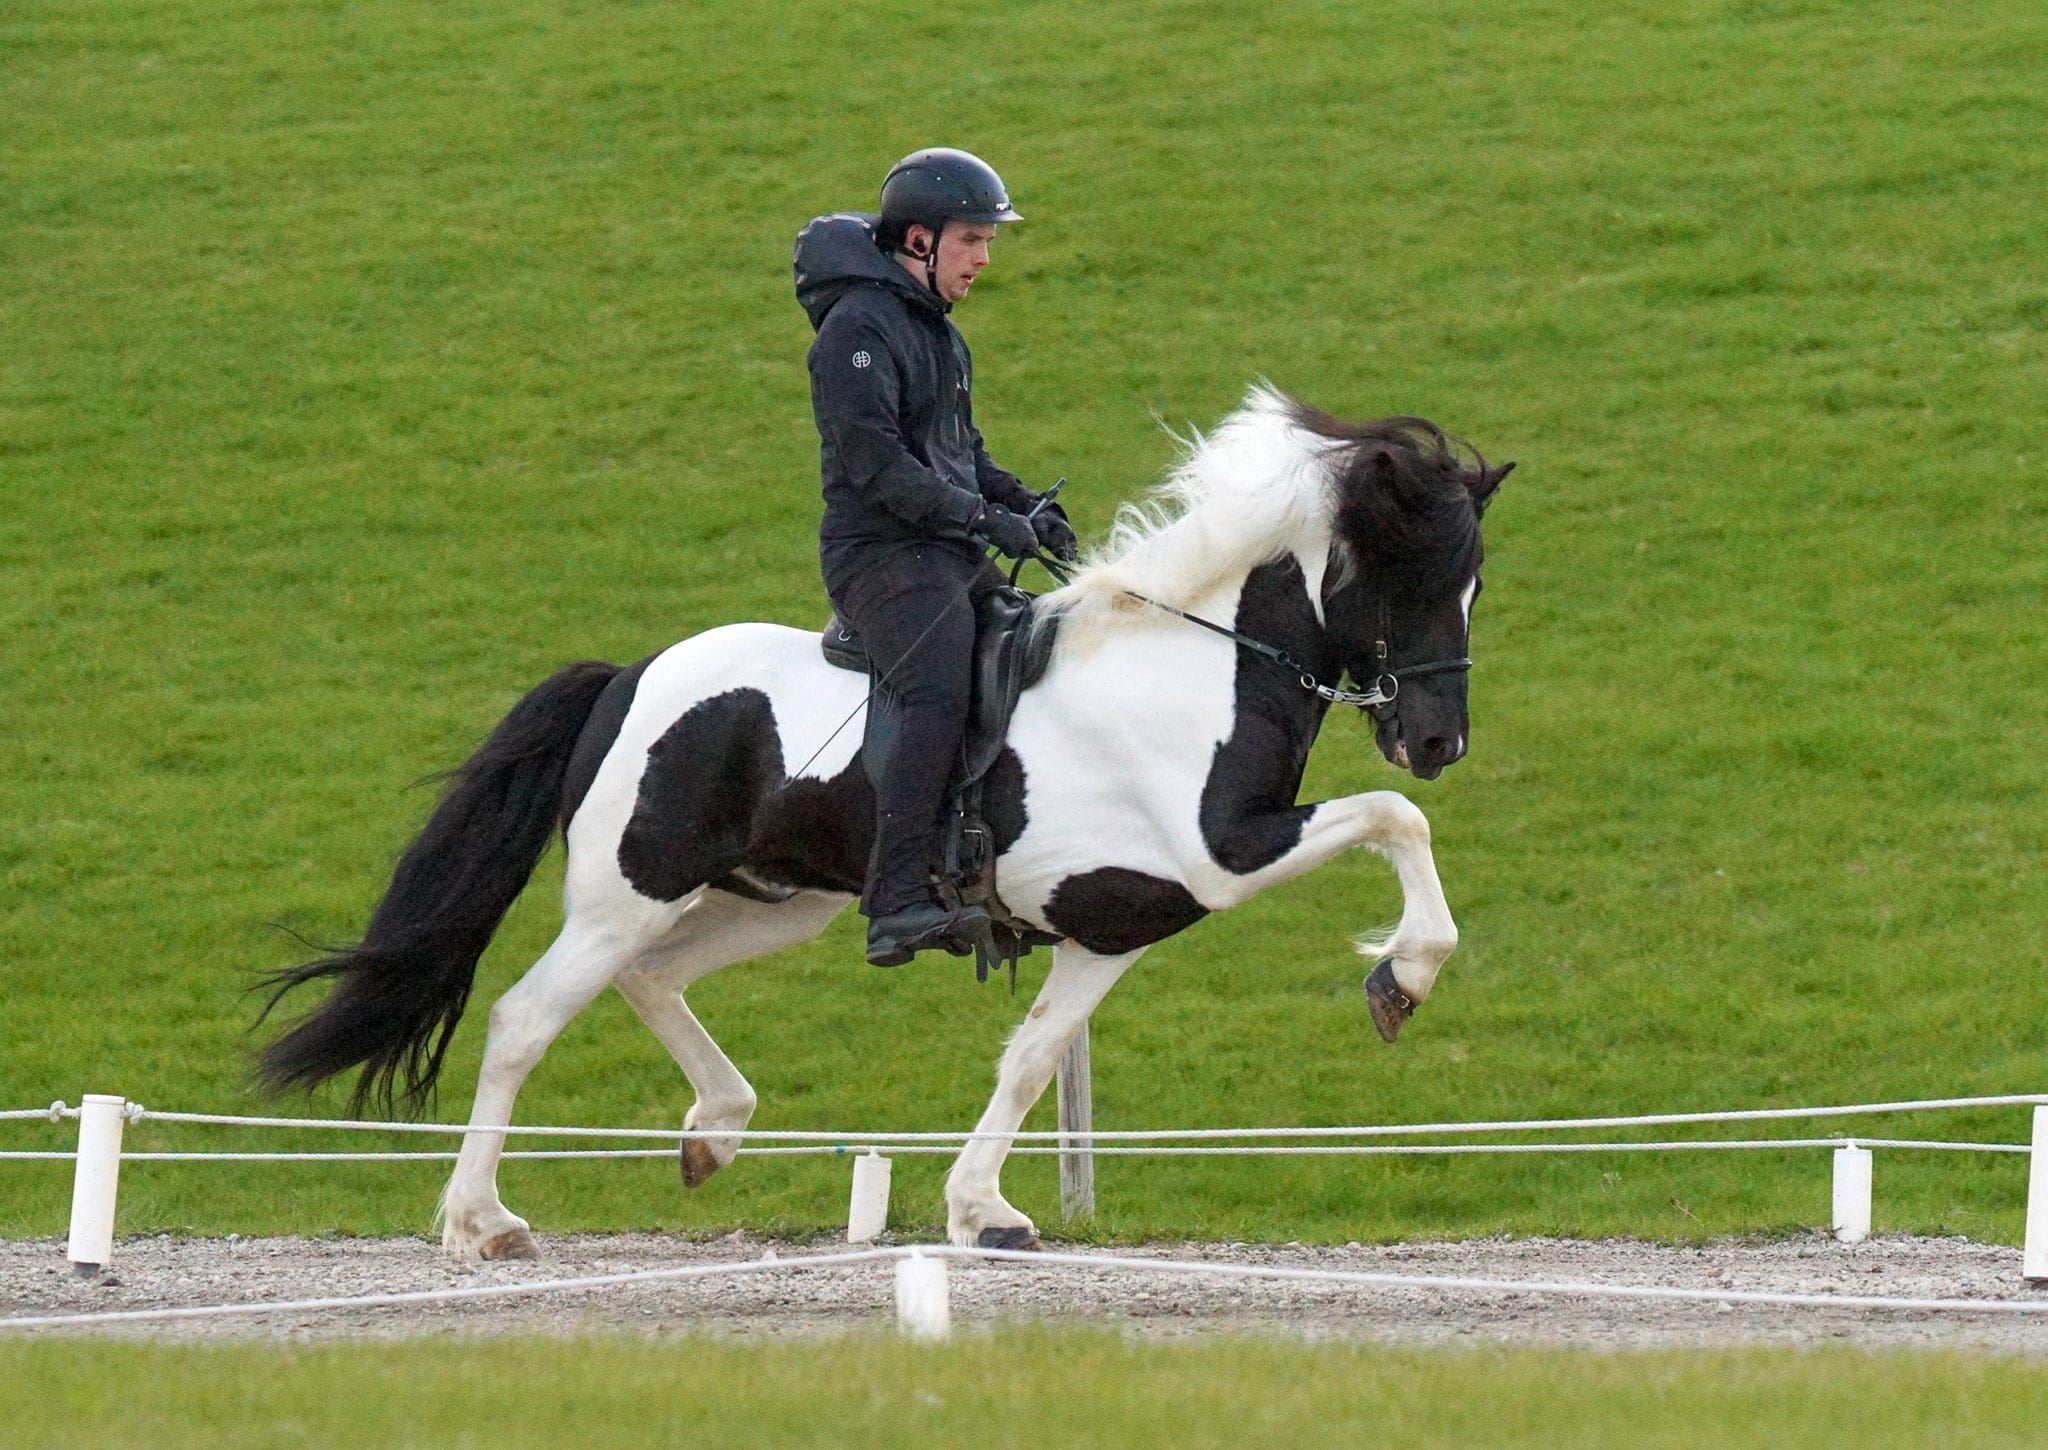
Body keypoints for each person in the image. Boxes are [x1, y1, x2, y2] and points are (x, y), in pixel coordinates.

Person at [794, 148, 1078, 967]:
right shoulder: (855, 334)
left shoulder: (938, 337)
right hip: (879, 555)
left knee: (1028, 653)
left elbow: (963, 451)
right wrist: (984, 518)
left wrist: (1025, 506)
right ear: (918, 240)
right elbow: (878, 468)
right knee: (938, 683)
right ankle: (894, 902)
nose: (985, 260)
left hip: (942, 549)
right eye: (972, 241)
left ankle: (983, 858)